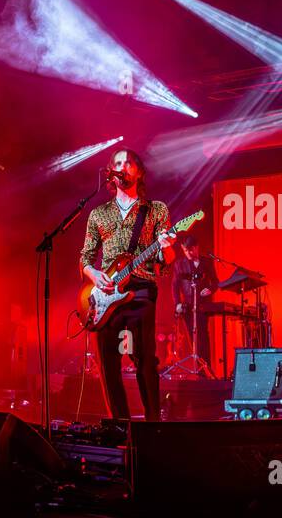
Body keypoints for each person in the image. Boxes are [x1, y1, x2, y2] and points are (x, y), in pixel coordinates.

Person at [79, 149, 177, 421]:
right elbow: (85, 257)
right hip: (106, 295)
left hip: (142, 290)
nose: (123, 167)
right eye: (117, 163)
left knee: (145, 361)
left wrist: (168, 248)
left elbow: (164, 259)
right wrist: (95, 275)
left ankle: (153, 424)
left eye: (128, 163)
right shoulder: (98, 214)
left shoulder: (156, 209)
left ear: (139, 171)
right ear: (111, 173)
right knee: (107, 364)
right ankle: (118, 425)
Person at [172, 234, 218, 372]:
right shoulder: (179, 264)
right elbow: (174, 285)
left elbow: (215, 282)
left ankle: (206, 368)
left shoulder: (207, 262)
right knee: (190, 336)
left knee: (203, 335)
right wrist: (177, 304)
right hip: (187, 305)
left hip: (203, 306)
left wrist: (210, 289)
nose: (188, 253)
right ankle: (193, 368)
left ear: (197, 247)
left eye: (191, 250)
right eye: (185, 250)